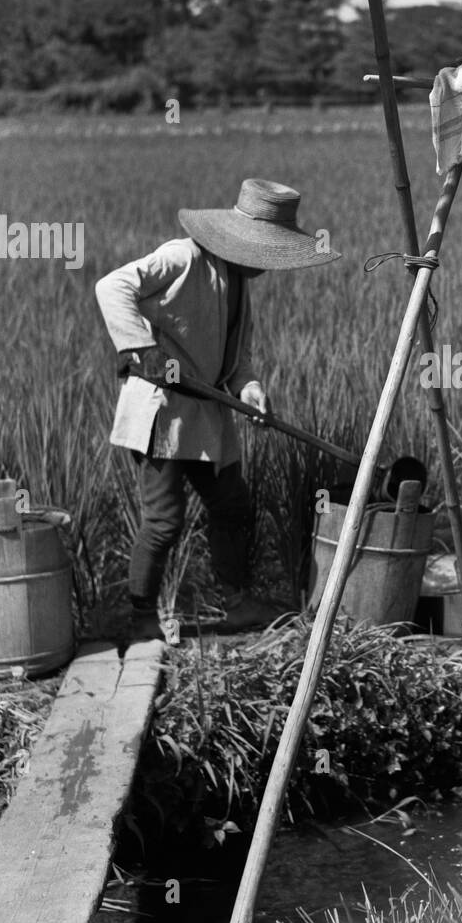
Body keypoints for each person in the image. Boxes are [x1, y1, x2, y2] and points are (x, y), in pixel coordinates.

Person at [95, 177, 340, 641]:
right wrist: (142, 350)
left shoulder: (239, 286)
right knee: (164, 519)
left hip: (207, 414)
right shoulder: (182, 257)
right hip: (162, 412)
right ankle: (141, 616)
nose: (267, 267)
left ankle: (235, 602)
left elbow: (237, 359)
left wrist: (250, 390)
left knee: (232, 505)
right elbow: (112, 286)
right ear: (241, 242)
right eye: (264, 254)